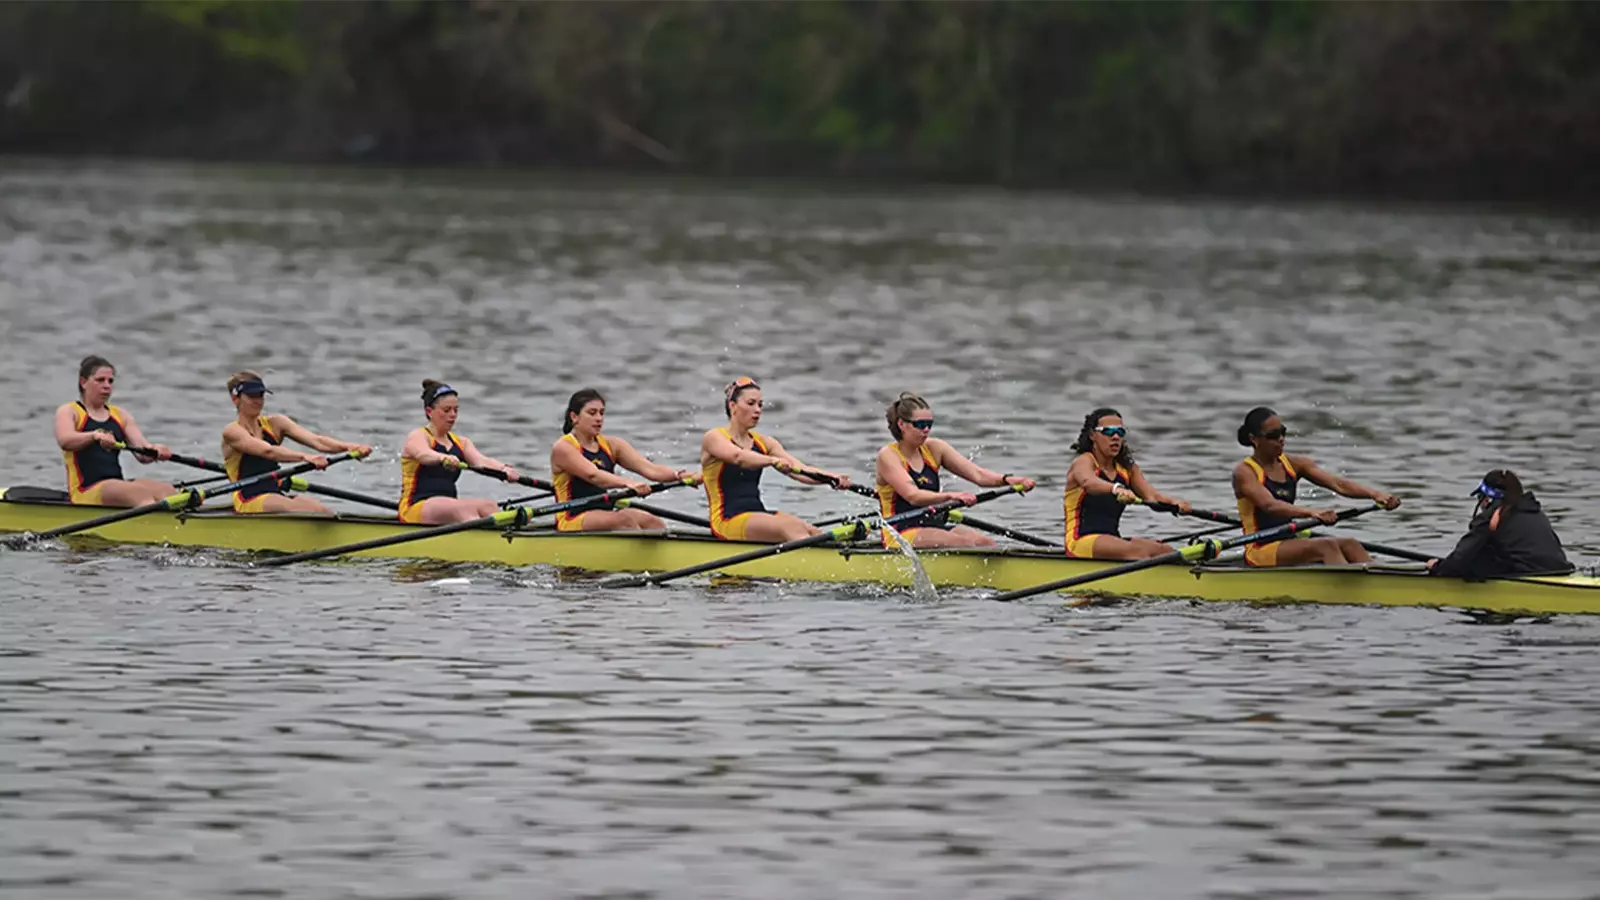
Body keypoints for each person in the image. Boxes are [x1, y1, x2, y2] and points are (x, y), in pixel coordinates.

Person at [1232, 406, 1401, 566]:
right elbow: (1270, 505)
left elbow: (1338, 484)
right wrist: (1313, 512)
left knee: (1351, 544)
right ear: (1254, 439)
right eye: (1273, 435)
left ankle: (1380, 583)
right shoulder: (1245, 472)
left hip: (1290, 542)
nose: (1281, 439)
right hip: (1259, 549)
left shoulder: (1295, 464)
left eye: (1283, 432)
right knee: (1326, 546)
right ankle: (1347, 592)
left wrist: (1376, 494)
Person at [701, 377, 853, 542]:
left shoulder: (765, 442)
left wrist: (832, 478)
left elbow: (800, 469)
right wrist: (772, 461)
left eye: (760, 405)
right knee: (789, 527)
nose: (757, 410)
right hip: (727, 520)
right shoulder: (714, 437)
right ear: (733, 406)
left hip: (757, 514)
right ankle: (815, 562)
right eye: (751, 403)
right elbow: (738, 457)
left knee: (811, 530)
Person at [874, 392, 1034, 548]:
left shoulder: (934, 448)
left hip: (933, 526)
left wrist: (1007, 480)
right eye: (920, 425)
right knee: (962, 543)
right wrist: (951, 496)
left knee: (986, 544)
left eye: (929, 425)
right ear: (902, 424)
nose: (926, 430)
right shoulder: (888, 455)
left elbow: (978, 475)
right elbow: (913, 496)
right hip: (899, 532)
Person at [551, 388, 701, 531]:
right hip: (572, 517)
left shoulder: (612, 445)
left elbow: (650, 469)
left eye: (602, 413)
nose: (599, 418)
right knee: (624, 520)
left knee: (652, 522)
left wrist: (680, 476)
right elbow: (593, 475)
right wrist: (628, 483)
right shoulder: (563, 448)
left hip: (604, 513)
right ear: (574, 417)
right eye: (592, 413)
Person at [221, 371, 371, 514]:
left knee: (323, 512)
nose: (258, 401)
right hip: (247, 499)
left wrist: (350, 447)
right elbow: (268, 451)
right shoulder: (232, 431)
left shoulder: (276, 423)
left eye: (260, 395)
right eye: (252, 395)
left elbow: (317, 441)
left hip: (275, 492)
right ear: (236, 398)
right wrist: (305, 457)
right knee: (300, 508)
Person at [1063, 407, 1192, 559]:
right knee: (1138, 552)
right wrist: (1116, 489)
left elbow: (1151, 496)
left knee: (1166, 552)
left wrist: (1175, 503)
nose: (1116, 437)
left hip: (1111, 540)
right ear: (1092, 435)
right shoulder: (1084, 461)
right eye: (1108, 432)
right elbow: (1088, 482)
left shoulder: (1127, 470)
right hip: (1080, 541)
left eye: (1120, 432)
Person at [53, 355, 176, 506]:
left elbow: (142, 453)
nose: (107, 386)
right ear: (83, 382)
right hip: (85, 492)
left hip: (116, 488)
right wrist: (94, 436)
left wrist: (155, 450)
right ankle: (156, 525)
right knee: (138, 493)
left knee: (167, 491)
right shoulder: (69, 411)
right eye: (100, 380)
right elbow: (65, 440)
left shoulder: (120, 415)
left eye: (110, 381)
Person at [399, 380, 522, 524]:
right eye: (446, 410)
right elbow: (423, 455)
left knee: (489, 506)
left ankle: (502, 538)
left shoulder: (461, 443)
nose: (453, 415)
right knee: (462, 509)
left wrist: (503, 468)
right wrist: (443, 458)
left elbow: (481, 461)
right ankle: (481, 540)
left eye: (456, 410)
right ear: (429, 412)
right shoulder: (418, 436)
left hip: (447, 507)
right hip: (415, 507)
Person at [1429, 470, 1572, 579]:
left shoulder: (1490, 517)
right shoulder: (1535, 511)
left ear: (1488, 499)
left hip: (1530, 575)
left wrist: (1437, 568)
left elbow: (1460, 558)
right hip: (1562, 570)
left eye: (1480, 498)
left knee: (1475, 558)